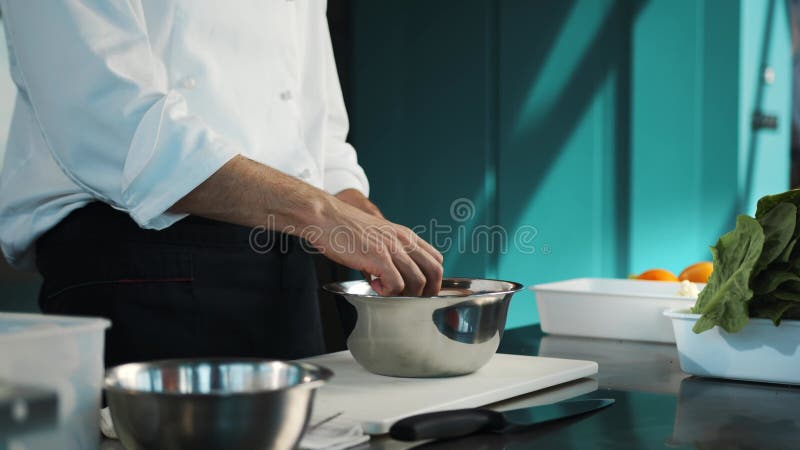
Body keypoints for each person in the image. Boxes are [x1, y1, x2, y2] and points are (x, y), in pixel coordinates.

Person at [0, 0, 443, 366]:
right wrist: (322, 214)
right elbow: (106, 119)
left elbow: (316, 129)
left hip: (287, 266)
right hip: (140, 268)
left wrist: (373, 231)